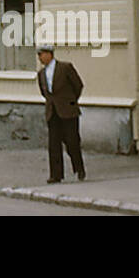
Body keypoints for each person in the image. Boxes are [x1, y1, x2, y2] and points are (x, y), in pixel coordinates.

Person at [36, 45, 86, 183]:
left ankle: (79, 168)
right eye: (38, 55)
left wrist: (70, 101)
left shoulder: (65, 68)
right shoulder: (41, 74)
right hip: (53, 112)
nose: (40, 58)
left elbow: (78, 85)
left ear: (49, 54)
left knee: (72, 141)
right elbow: (44, 92)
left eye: (42, 54)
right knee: (54, 144)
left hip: (68, 111)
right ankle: (56, 174)